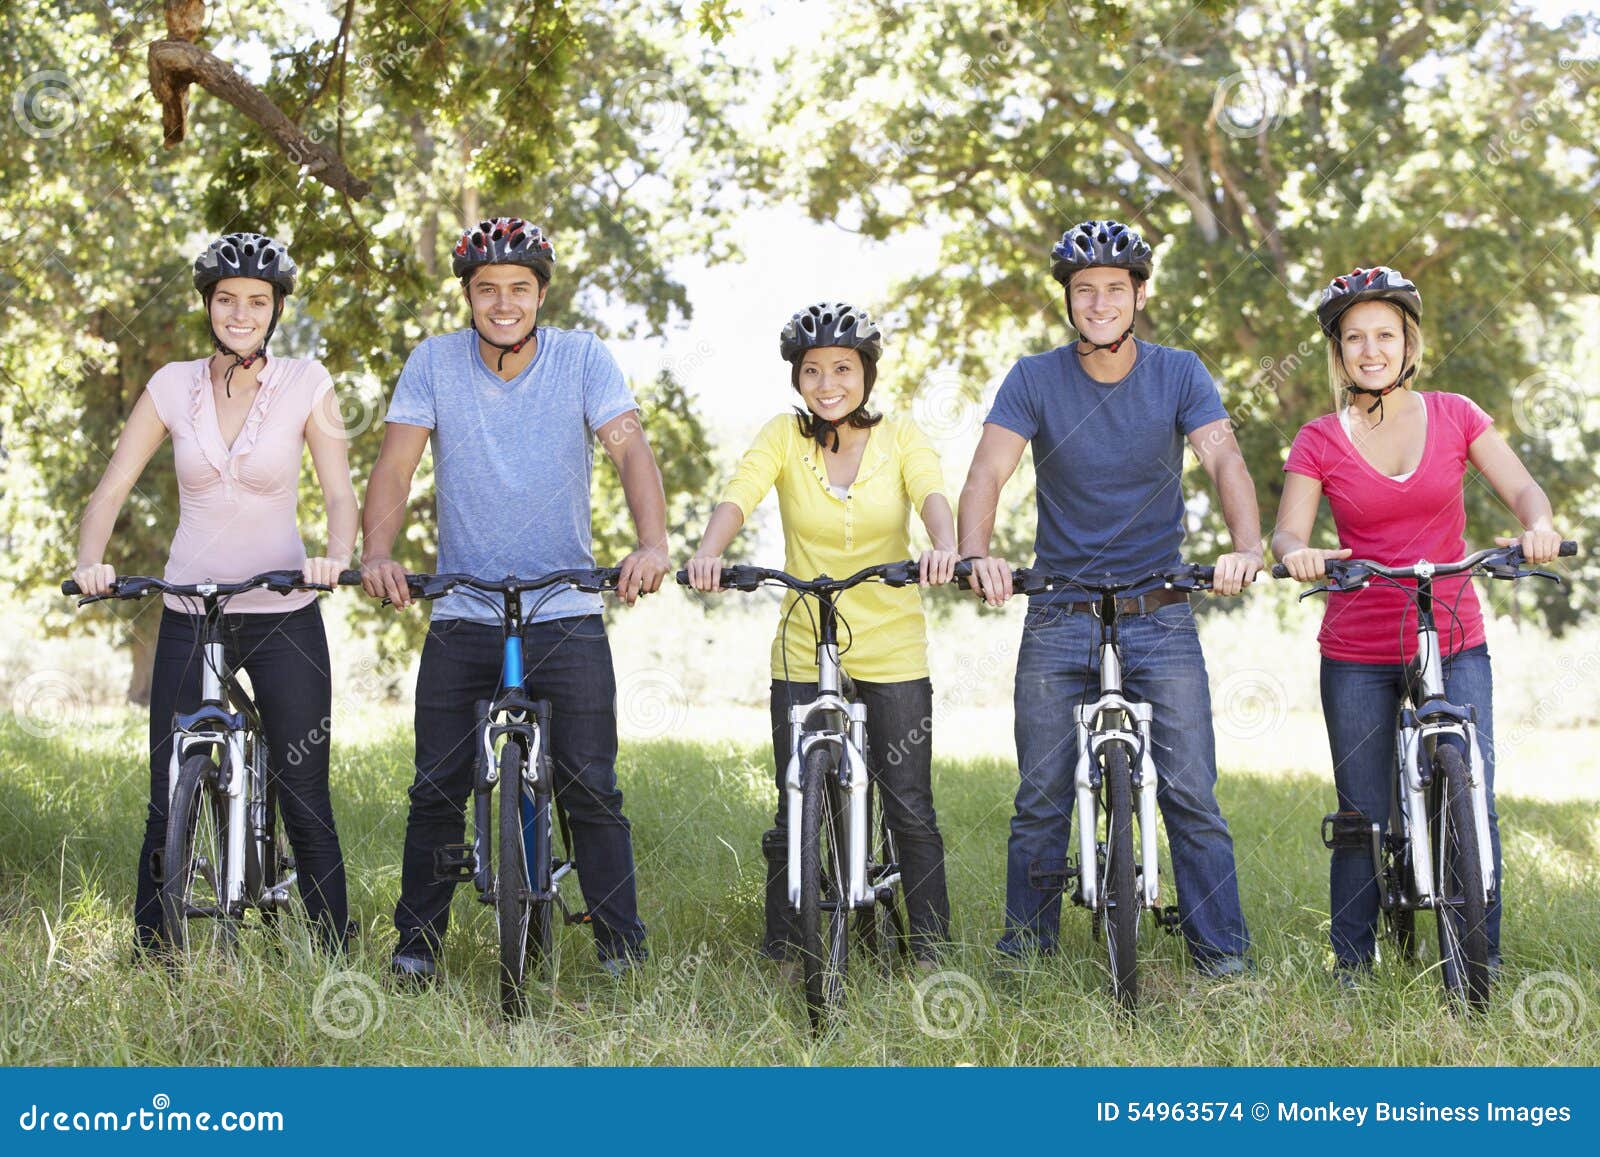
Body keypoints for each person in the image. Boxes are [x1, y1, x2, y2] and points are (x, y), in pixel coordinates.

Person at [360, 216, 668, 982]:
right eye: (488, 288)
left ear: (540, 294)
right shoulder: (433, 362)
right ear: (468, 294)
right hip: (464, 605)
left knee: (591, 786)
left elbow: (630, 450)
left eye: (520, 288)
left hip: (565, 606)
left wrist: (652, 541)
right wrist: (377, 552)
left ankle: (621, 948)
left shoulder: (584, 357)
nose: (504, 302)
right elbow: (396, 467)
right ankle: (416, 949)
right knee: (435, 785)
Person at [958, 219, 1257, 975]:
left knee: (1191, 791)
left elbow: (1225, 463)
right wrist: (975, 554)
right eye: (1084, 290)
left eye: (1114, 289)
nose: (1099, 302)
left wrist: (1246, 547)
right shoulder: (1034, 378)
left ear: (1138, 296)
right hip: (1059, 608)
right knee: (1039, 799)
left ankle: (1221, 955)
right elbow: (988, 472)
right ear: (1067, 299)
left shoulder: (1180, 372)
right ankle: (1025, 954)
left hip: (1160, 607)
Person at [1270, 265, 1564, 983]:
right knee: (1362, 812)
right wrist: (1300, 554)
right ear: (1338, 353)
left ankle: (1479, 957)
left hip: (1453, 631)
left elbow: (1522, 486)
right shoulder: (1317, 438)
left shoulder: (1458, 415)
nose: (1371, 349)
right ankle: (1351, 967)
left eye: (1385, 334)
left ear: (1408, 344)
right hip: (1358, 645)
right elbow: (1287, 534)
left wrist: (1539, 523)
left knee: (1474, 792)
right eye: (1354, 338)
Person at [71, 231, 357, 954]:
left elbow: (341, 494)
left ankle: (333, 955)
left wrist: (337, 558)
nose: (241, 312)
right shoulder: (171, 384)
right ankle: (152, 952)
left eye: (256, 301)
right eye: (226, 299)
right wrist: (90, 562)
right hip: (189, 607)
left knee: (304, 794)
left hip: (284, 608)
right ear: (208, 305)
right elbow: (109, 491)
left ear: (276, 308)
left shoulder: (307, 383)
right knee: (166, 787)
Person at [685, 302, 957, 969]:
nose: (828, 382)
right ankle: (785, 946)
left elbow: (929, 490)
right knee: (795, 794)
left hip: (892, 644)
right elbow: (739, 492)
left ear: (865, 371)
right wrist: (709, 551)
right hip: (805, 639)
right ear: (797, 379)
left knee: (908, 803)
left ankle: (929, 950)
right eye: (813, 370)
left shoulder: (901, 435)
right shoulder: (782, 435)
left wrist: (945, 547)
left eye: (842, 367)